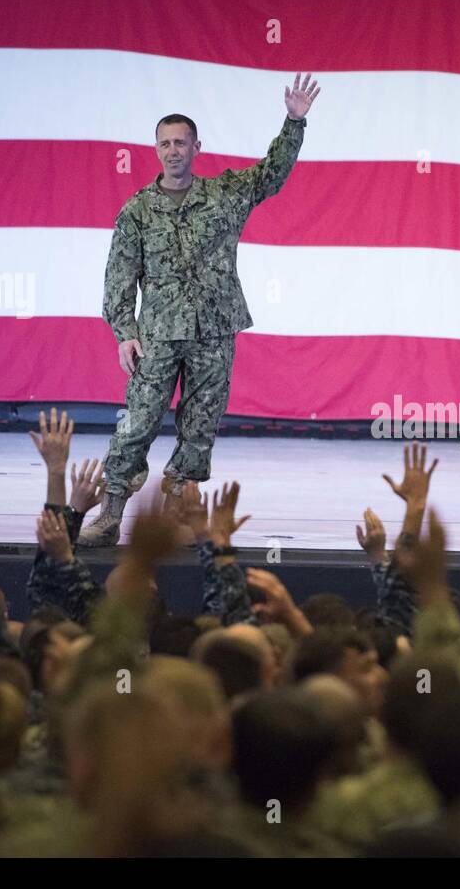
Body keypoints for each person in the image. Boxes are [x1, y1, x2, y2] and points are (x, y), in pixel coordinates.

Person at [78, 72, 322, 547]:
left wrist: (294, 122)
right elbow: (119, 278)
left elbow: (271, 173)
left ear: (196, 147)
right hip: (158, 334)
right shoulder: (137, 211)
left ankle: (178, 510)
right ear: (156, 150)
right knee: (138, 421)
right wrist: (124, 332)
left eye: (181, 142)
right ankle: (110, 513)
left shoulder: (224, 195)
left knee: (200, 426)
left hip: (214, 331)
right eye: (165, 143)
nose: (173, 150)